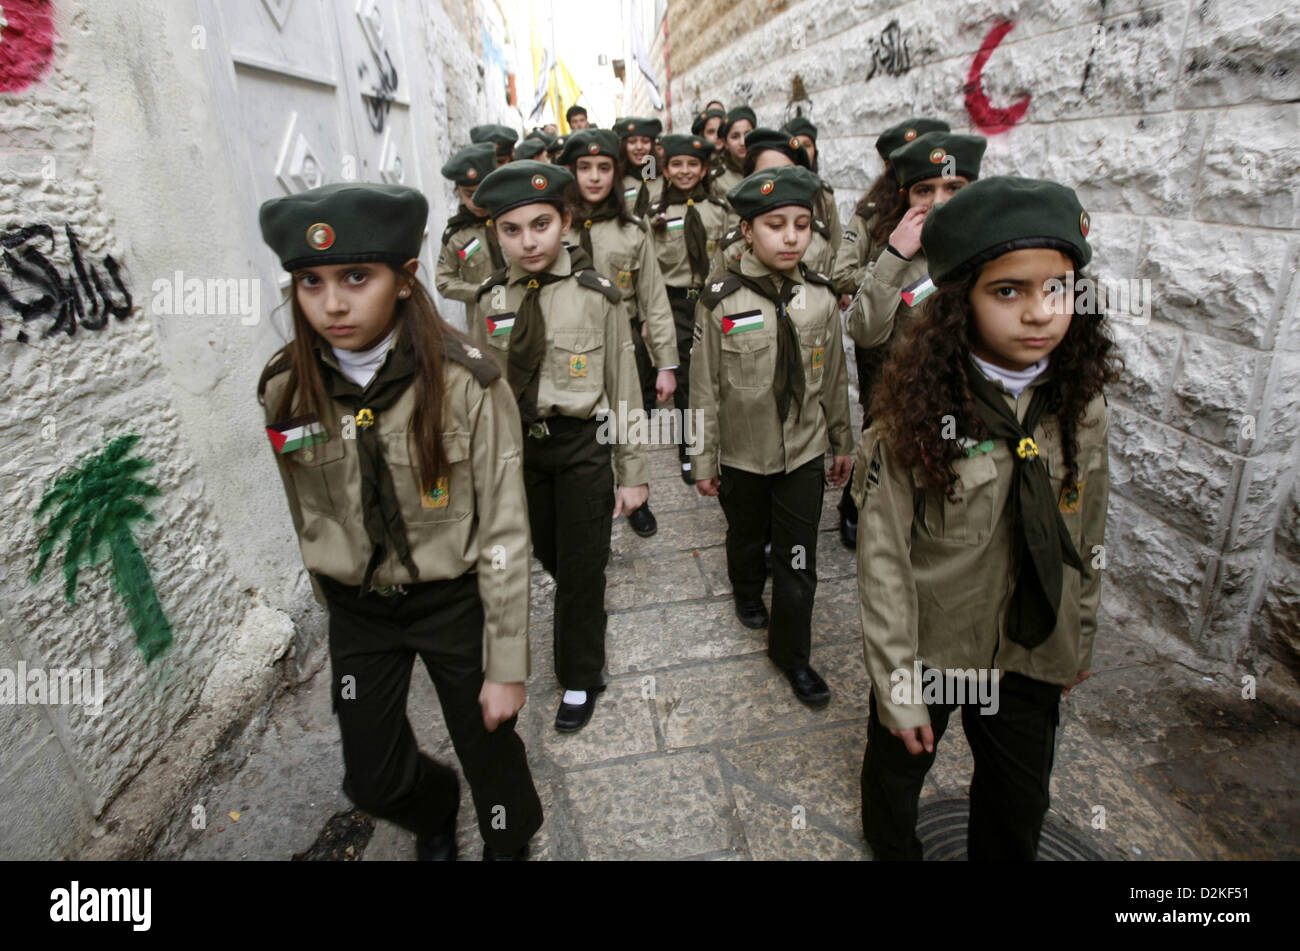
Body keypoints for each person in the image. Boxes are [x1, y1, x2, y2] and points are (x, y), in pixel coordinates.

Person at [256, 182, 542, 861]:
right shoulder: (286, 387)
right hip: (360, 608)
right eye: (311, 281)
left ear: (406, 278)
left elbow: (505, 528)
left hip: (453, 600)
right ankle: (434, 806)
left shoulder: (469, 383)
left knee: (490, 753)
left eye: (357, 276)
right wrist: (333, 597)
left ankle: (507, 843)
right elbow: (304, 505)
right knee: (372, 778)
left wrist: (506, 662)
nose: (332, 303)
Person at [853, 176, 1118, 860]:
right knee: (896, 774)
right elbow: (883, 561)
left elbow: (1088, 534)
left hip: (1033, 645)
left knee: (1018, 801)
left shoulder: (1081, 407)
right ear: (959, 303)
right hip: (936, 646)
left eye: (1057, 289)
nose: (1039, 313)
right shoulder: (913, 415)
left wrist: (1078, 638)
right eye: (1007, 291)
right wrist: (899, 685)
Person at [471, 160, 651, 733]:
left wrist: (633, 471)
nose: (528, 241)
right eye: (512, 229)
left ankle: (580, 674)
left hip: (581, 446)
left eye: (541, 224)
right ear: (496, 233)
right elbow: (476, 392)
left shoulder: (597, 295)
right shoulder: (489, 301)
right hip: (518, 452)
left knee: (581, 568)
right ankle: (576, 613)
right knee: (548, 555)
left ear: (566, 222)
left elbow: (624, 385)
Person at [690, 165, 853, 708]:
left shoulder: (820, 299)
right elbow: (704, 388)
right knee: (745, 534)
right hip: (742, 453)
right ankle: (744, 588)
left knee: (799, 559)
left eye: (801, 225)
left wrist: (842, 442)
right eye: (775, 225)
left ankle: (792, 656)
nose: (790, 238)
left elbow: (833, 379)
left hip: (804, 451)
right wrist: (703, 458)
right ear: (747, 230)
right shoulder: (720, 300)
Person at [831, 116, 950, 549]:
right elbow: (842, 272)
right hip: (884, 345)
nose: (937, 199)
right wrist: (886, 271)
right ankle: (857, 502)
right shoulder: (873, 213)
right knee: (880, 426)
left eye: (951, 186)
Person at [558, 128, 679, 538]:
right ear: (571, 171)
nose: (594, 177)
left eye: (603, 167)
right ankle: (592, 504)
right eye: (584, 167)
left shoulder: (633, 230)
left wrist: (666, 364)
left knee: (628, 420)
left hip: (624, 341)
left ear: (616, 172)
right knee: (586, 430)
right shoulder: (556, 229)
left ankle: (636, 495)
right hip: (571, 343)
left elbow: (654, 299)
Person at [844, 131, 986, 357]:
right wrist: (895, 257)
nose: (938, 202)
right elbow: (865, 334)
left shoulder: (993, 252)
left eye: (954, 188)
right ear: (906, 198)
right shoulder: (895, 260)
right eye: (924, 190)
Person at [645, 132, 730, 485]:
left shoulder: (719, 211)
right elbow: (649, 270)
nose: (684, 171)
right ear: (665, 170)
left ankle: (717, 443)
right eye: (676, 164)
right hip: (674, 303)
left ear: (704, 169)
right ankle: (687, 448)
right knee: (683, 380)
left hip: (712, 300)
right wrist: (650, 317)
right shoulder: (655, 214)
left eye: (692, 164)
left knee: (716, 374)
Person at [710, 128, 841, 280]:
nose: (791, 238)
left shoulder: (819, 242)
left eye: (786, 174)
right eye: (767, 174)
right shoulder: (732, 249)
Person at [435, 142, 507, 348]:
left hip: (524, 309)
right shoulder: (457, 235)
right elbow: (443, 281)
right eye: (468, 194)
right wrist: (478, 291)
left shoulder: (513, 222)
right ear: (458, 191)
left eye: (481, 192)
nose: (476, 201)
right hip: (484, 321)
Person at [616, 116, 664, 217]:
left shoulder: (665, 179)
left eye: (645, 141)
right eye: (632, 142)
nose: (639, 147)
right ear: (624, 146)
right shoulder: (616, 179)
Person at [710, 105, 756, 198]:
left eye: (748, 134)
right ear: (725, 143)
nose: (742, 142)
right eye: (735, 137)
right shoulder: (719, 180)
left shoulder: (767, 166)